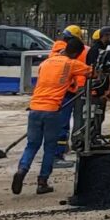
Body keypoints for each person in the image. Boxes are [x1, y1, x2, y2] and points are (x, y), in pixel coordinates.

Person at [12, 29, 85, 195]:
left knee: (32, 145)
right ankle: (42, 182)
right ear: (74, 53)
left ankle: (22, 170)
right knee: (50, 147)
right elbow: (91, 72)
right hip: (52, 110)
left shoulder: (46, 63)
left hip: (35, 108)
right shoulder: (71, 63)